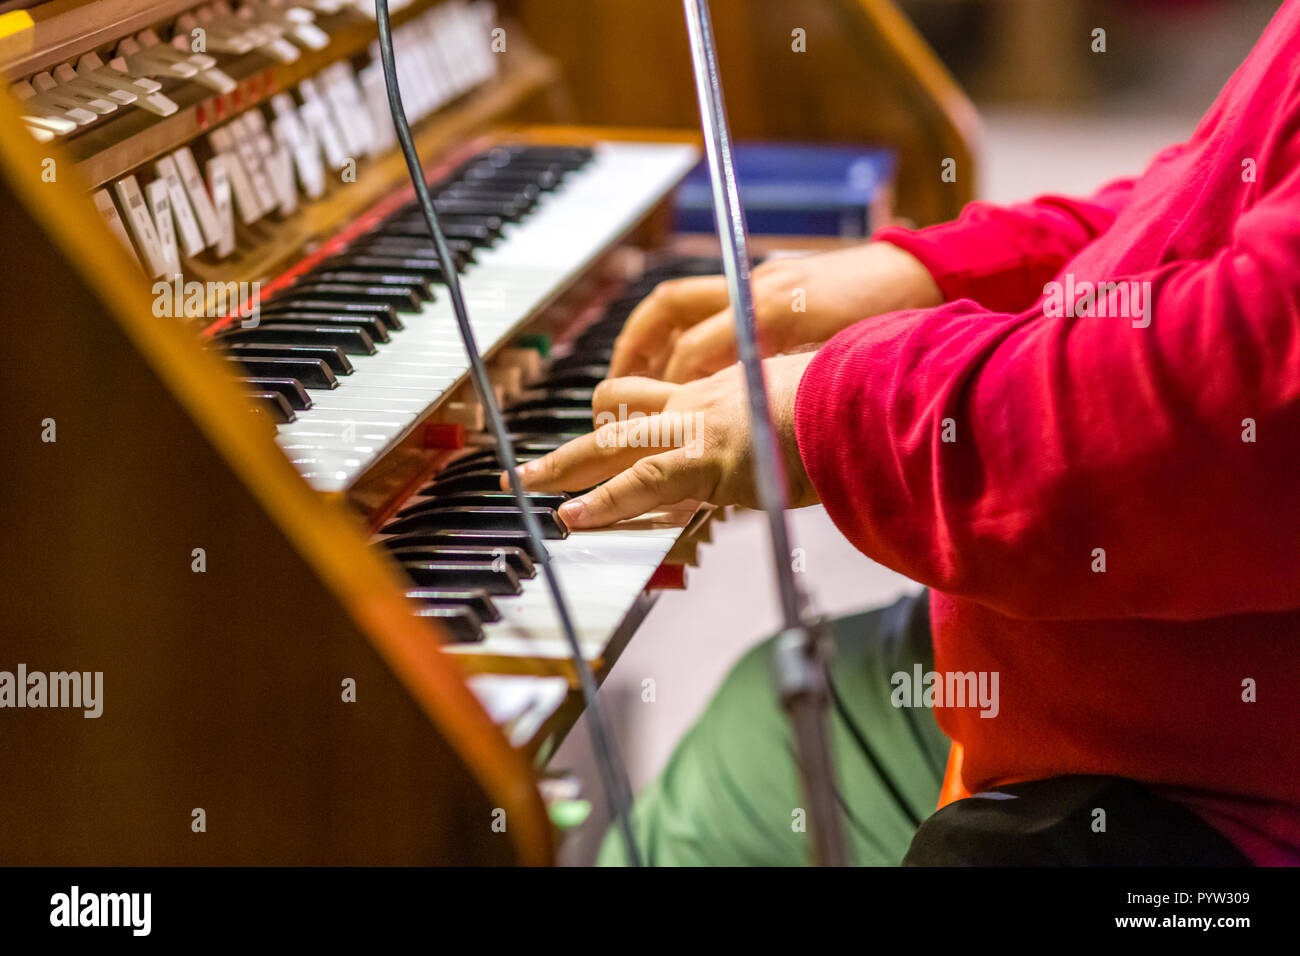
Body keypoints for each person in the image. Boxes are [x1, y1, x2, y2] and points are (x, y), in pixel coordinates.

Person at [507, 0, 1300, 865]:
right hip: (1133, 697)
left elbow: (1227, 399)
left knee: (742, 771)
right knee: (758, 718)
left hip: (1210, 796)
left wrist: (826, 408)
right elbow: (1206, 194)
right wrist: (926, 271)